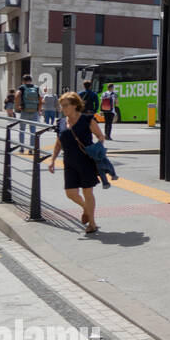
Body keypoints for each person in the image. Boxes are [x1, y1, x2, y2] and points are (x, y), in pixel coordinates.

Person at [48, 92, 106, 234]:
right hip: (69, 162)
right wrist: (53, 160)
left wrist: (97, 148)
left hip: (86, 161)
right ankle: (86, 208)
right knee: (70, 193)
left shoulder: (87, 120)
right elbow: (59, 142)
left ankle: (92, 224)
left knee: (88, 191)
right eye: (61, 106)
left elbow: (100, 136)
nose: (63, 108)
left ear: (75, 105)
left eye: (65, 105)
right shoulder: (61, 123)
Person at [15, 74, 41, 149]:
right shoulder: (36, 87)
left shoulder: (22, 87)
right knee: (33, 131)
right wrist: (39, 110)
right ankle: (31, 148)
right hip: (34, 112)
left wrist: (17, 106)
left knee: (22, 130)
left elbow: (17, 96)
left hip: (24, 111)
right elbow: (40, 100)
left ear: (23, 81)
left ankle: (22, 148)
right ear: (31, 80)